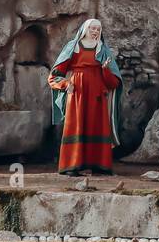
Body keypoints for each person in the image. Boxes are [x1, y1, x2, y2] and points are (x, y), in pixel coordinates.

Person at [49, 18, 123, 176]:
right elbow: (54, 75)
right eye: (92, 28)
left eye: (98, 29)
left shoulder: (103, 50)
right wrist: (65, 84)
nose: (95, 31)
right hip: (78, 93)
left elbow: (114, 82)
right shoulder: (72, 47)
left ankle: (99, 165)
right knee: (76, 125)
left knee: (97, 126)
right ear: (85, 29)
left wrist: (105, 70)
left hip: (97, 94)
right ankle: (72, 165)